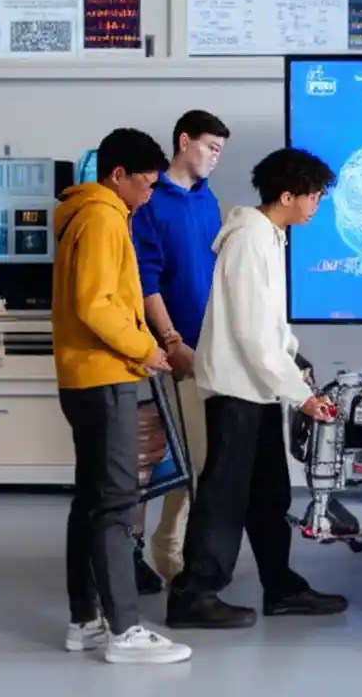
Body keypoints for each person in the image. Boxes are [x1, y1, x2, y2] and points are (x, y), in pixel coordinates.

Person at [165, 147, 347, 629]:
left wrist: (295, 363)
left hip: (259, 388)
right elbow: (249, 330)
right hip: (236, 389)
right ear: (286, 195)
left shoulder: (272, 236)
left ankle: (280, 586)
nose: (316, 205)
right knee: (224, 497)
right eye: (313, 196)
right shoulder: (248, 237)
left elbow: (271, 323)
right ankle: (194, 595)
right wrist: (301, 394)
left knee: (270, 495)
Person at [52, 127, 192, 664]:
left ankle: (84, 620)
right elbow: (97, 304)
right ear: (118, 176)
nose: (150, 194)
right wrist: (147, 348)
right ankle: (125, 632)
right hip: (107, 377)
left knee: (89, 502)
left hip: (83, 377)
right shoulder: (105, 217)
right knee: (115, 505)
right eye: (147, 184)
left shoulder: (80, 215)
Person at [131, 109, 232, 586]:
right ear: (184, 140)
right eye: (210, 147)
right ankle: (164, 550)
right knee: (173, 456)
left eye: (220, 151)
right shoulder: (150, 203)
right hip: (170, 353)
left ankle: (175, 545)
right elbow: (146, 283)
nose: (215, 157)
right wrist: (172, 342)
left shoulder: (207, 200)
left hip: (209, 348)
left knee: (204, 455)